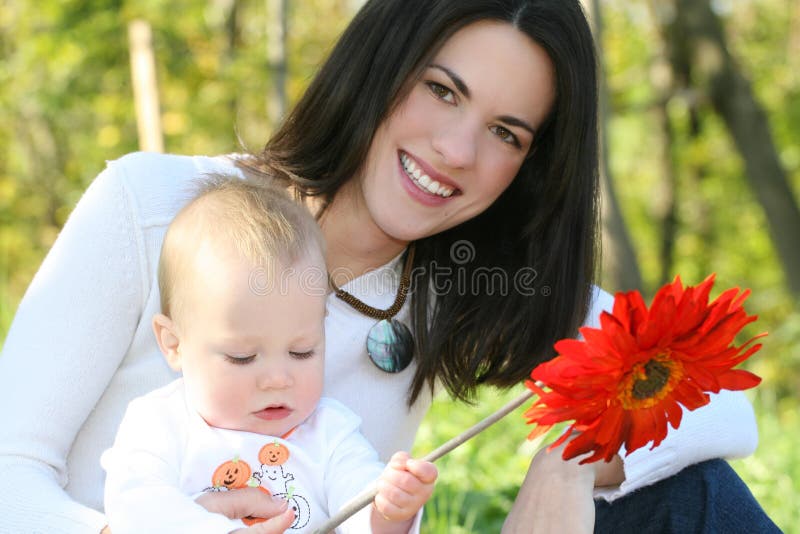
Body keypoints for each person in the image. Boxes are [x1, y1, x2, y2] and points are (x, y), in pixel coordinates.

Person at [0, 1, 777, 532]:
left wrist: (574, 457)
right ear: (380, 65)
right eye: (441, 90)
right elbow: (8, 467)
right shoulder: (158, 209)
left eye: (507, 133)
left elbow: (716, 398)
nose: (457, 151)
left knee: (695, 497)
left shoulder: (464, 281)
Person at [100, 176, 437, 534]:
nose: (278, 379)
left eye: (301, 352)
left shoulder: (329, 432)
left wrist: (389, 510)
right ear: (173, 344)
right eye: (242, 357)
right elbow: (135, 508)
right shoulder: (159, 424)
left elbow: (359, 507)